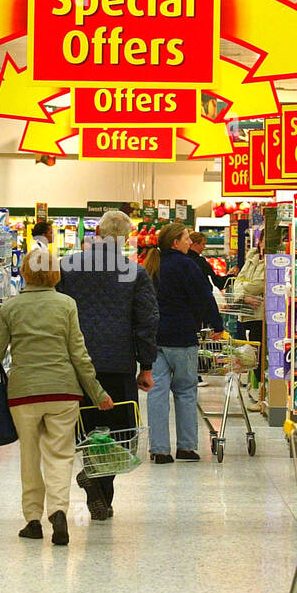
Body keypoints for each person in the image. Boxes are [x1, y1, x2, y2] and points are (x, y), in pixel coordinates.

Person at [0, 247, 113, 546]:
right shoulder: (66, 304)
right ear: (55, 272)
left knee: (30, 456)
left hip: (23, 393)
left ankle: (32, 520)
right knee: (60, 455)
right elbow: (79, 355)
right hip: (63, 391)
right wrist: (97, 393)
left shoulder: (11, 308)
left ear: (25, 272)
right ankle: (58, 513)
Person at [58, 210, 158, 521]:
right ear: (127, 237)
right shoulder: (135, 273)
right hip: (118, 362)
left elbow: (57, 312)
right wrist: (147, 365)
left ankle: (92, 478)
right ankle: (103, 492)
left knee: (86, 426)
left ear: (97, 230)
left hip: (78, 363)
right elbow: (147, 321)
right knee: (118, 430)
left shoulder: (67, 267)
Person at [143, 222, 225, 464]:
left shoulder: (151, 267)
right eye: (187, 238)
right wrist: (217, 325)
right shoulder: (188, 266)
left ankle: (159, 450)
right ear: (175, 243)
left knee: (157, 394)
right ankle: (186, 447)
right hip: (182, 337)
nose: (191, 242)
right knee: (186, 392)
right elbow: (204, 297)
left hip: (155, 339)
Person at [233, 232, 268, 411]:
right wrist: (245, 296)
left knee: (261, 356)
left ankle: (263, 397)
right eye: (264, 239)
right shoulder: (252, 258)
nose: (265, 243)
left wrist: (243, 291)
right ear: (260, 241)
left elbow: (260, 284)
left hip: (260, 314)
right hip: (247, 312)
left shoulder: (269, 261)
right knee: (254, 355)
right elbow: (238, 281)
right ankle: (260, 394)